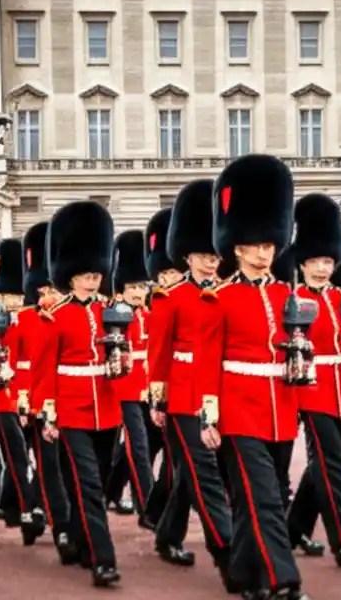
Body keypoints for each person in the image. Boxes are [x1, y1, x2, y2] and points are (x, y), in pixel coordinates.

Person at [200, 154, 310, 600]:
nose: (265, 251)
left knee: (262, 497)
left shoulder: (288, 294)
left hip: (280, 405)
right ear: (238, 247)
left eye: (270, 244)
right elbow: (208, 359)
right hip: (238, 407)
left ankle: (245, 576)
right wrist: (209, 415)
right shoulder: (219, 299)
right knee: (261, 496)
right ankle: (282, 579)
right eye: (256, 244)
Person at [147, 179, 234, 581]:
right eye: (203, 255)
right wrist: (158, 400)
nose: (210, 262)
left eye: (214, 255)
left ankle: (166, 534)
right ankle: (227, 552)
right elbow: (160, 351)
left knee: (187, 474)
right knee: (205, 474)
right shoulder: (170, 296)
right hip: (182, 396)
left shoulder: (226, 292)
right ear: (188, 255)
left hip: (216, 393)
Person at [285, 193, 341, 566]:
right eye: (315, 261)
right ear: (302, 264)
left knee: (322, 463)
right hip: (312, 389)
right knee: (330, 464)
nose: (322, 268)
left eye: (327, 261)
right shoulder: (294, 300)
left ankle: (295, 530)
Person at [41, 201, 123, 587]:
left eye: (96, 274)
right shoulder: (56, 316)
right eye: (85, 275)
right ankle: (102, 558)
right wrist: (48, 411)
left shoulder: (112, 311)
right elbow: (45, 367)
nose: (92, 281)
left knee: (98, 479)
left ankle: (75, 536)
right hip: (71, 407)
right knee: (88, 482)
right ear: (70, 277)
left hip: (106, 406)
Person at [16, 220, 75, 562]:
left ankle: (33, 509)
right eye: (44, 291)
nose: (49, 296)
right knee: (48, 467)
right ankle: (61, 527)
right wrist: (25, 400)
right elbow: (24, 364)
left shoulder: (70, 315)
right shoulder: (26, 320)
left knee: (59, 468)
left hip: (72, 401)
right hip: (39, 403)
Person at [0, 237, 46, 546]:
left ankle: (13, 505)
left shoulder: (31, 318)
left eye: (15, 294)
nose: (10, 300)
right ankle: (23, 506)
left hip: (23, 396)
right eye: (5, 294)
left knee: (18, 456)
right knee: (16, 455)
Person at [133, 208, 182, 530]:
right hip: (171, 388)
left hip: (192, 385)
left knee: (174, 458)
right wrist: (156, 395)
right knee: (171, 455)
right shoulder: (163, 300)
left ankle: (155, 514)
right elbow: (158, 350)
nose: (167, 278)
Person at [104, 229, 156, 525]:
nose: (138, 292)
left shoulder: (148, 314)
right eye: (133, 287)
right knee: (137, 445)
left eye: (142, 286)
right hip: (121, 387)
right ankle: (147, 506)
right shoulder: (113, 315)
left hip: (144, 388)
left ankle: (110, 493)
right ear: (121, 288)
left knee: (133, 446)